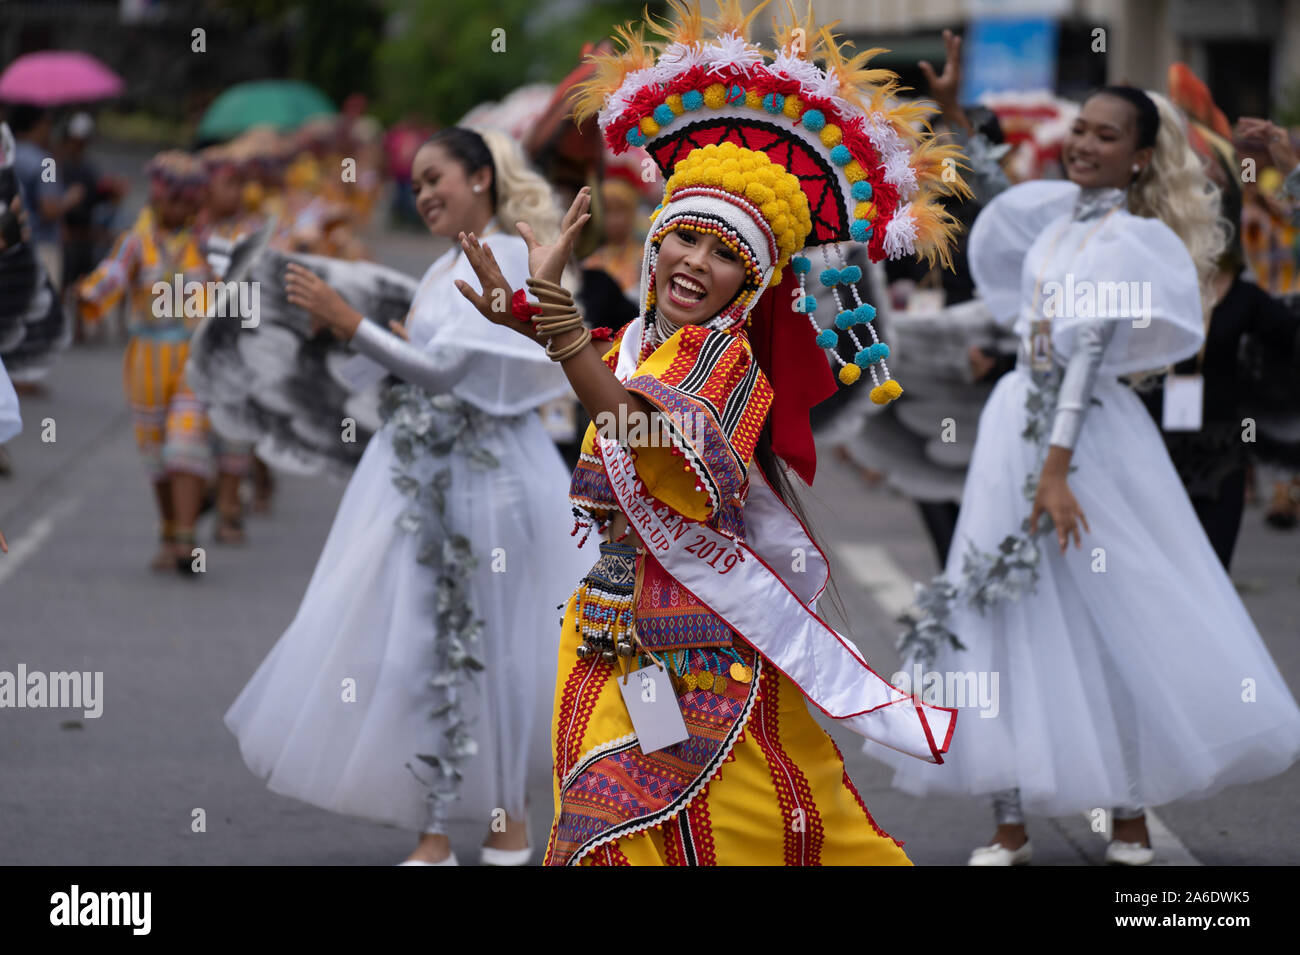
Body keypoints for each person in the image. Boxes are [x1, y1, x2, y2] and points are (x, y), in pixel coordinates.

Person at [455, 2, 965, 865]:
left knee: (728, 823)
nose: (694, 262)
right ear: (654, 246)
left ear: (752, 279)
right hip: (608, 626)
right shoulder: (646, 342)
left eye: (723, 254)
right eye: (681, 238)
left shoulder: (727, 366)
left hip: (699, 647)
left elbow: (626, 417)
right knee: (614, 826)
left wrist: (565, 333)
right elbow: (613, 371)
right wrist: (531, 321)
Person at [874, 85, 1300, 865]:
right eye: (1081, 130)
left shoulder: (1130, 244)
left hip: (1090, 443)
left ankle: (1129, 818)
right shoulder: (1053, 222)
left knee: (1112, 614)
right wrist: (963, 123)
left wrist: (1057, 471)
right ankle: (1009, 823)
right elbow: (1001, 199)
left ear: (1139, 158)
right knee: (1001, 612)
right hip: (1014, 431)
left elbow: (1085, 358)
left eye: (1107, 136)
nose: (1084, 145)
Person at [224, 126, 591, 866]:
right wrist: (369, 337)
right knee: (417, 645)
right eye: (416, 183)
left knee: (491, 642)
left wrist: (349, 321)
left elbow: (449, 372)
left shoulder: (512, 253)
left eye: (436, 178)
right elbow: (427, 362)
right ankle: (433, 828)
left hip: (488, 479)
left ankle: (505, 822)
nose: (423, 194)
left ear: (481, 177)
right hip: (428, 476)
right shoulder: (444, 268)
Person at [76, 151, 215, 574]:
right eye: (174, 200)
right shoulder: (136, 242)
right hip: (146, 359)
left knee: (185, 444)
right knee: (156, 456)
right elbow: (113, 274)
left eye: (189, 201)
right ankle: (171, 530)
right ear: (157, 198)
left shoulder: (207, 244)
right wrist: (89, 293)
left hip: (195, 358)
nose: (182, 209)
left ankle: (189, 544)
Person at [9, 105, 84, 292]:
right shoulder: (45, 162)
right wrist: (71, 198)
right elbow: (49, 209)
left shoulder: (8, 156)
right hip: (42, 246)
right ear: (38, 125)